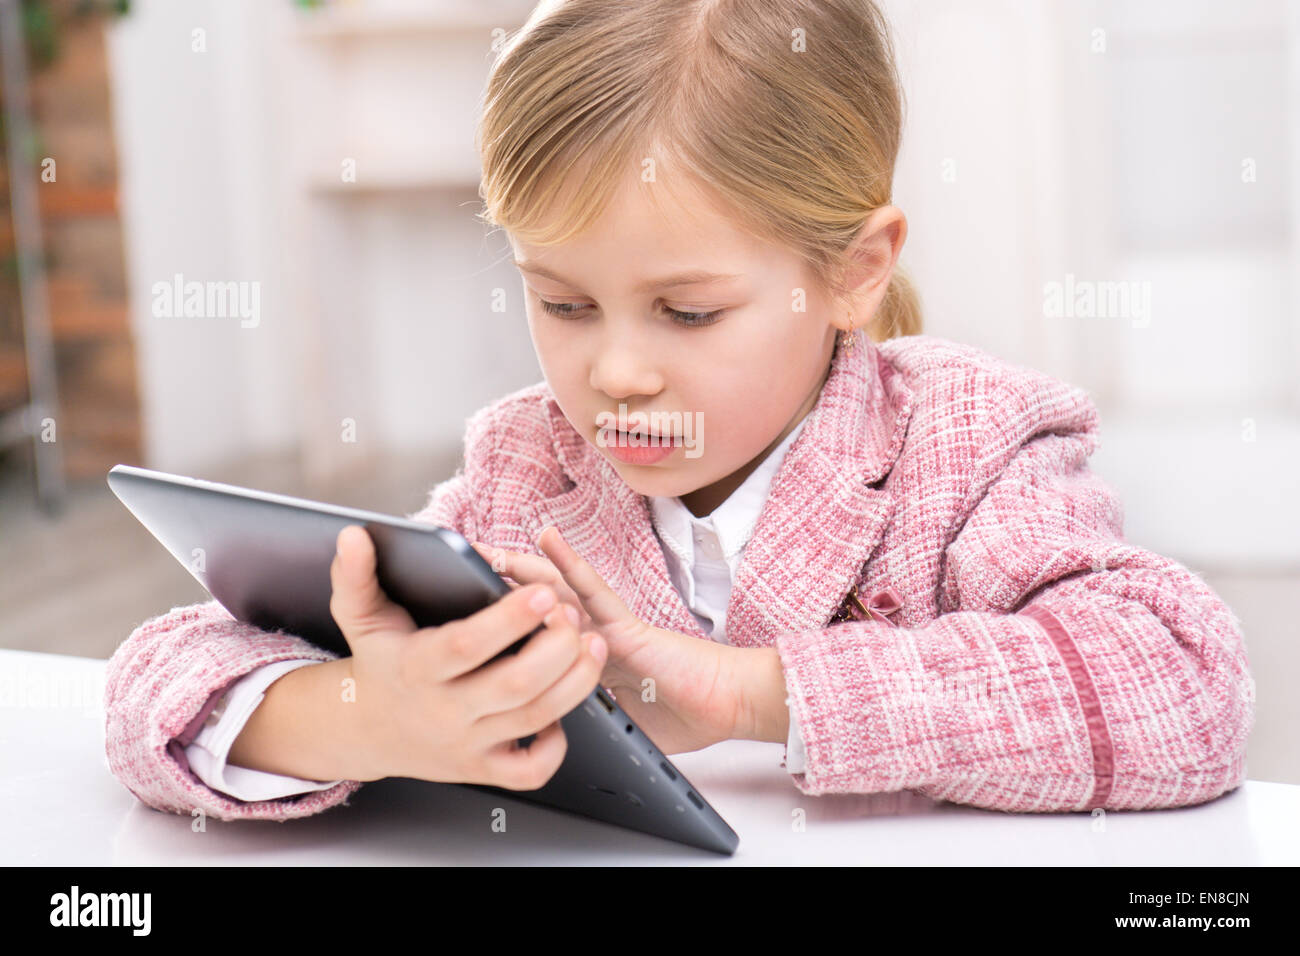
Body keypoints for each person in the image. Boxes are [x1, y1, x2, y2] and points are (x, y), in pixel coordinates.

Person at [104, 0, 1254, 823]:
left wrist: (753, 693)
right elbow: (153, 678)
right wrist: (369, 714)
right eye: (559, 299)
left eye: (688, 313)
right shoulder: (525, 468)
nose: (614, 371)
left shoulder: (967, 445)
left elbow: (1184, 688)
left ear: (855, 269)